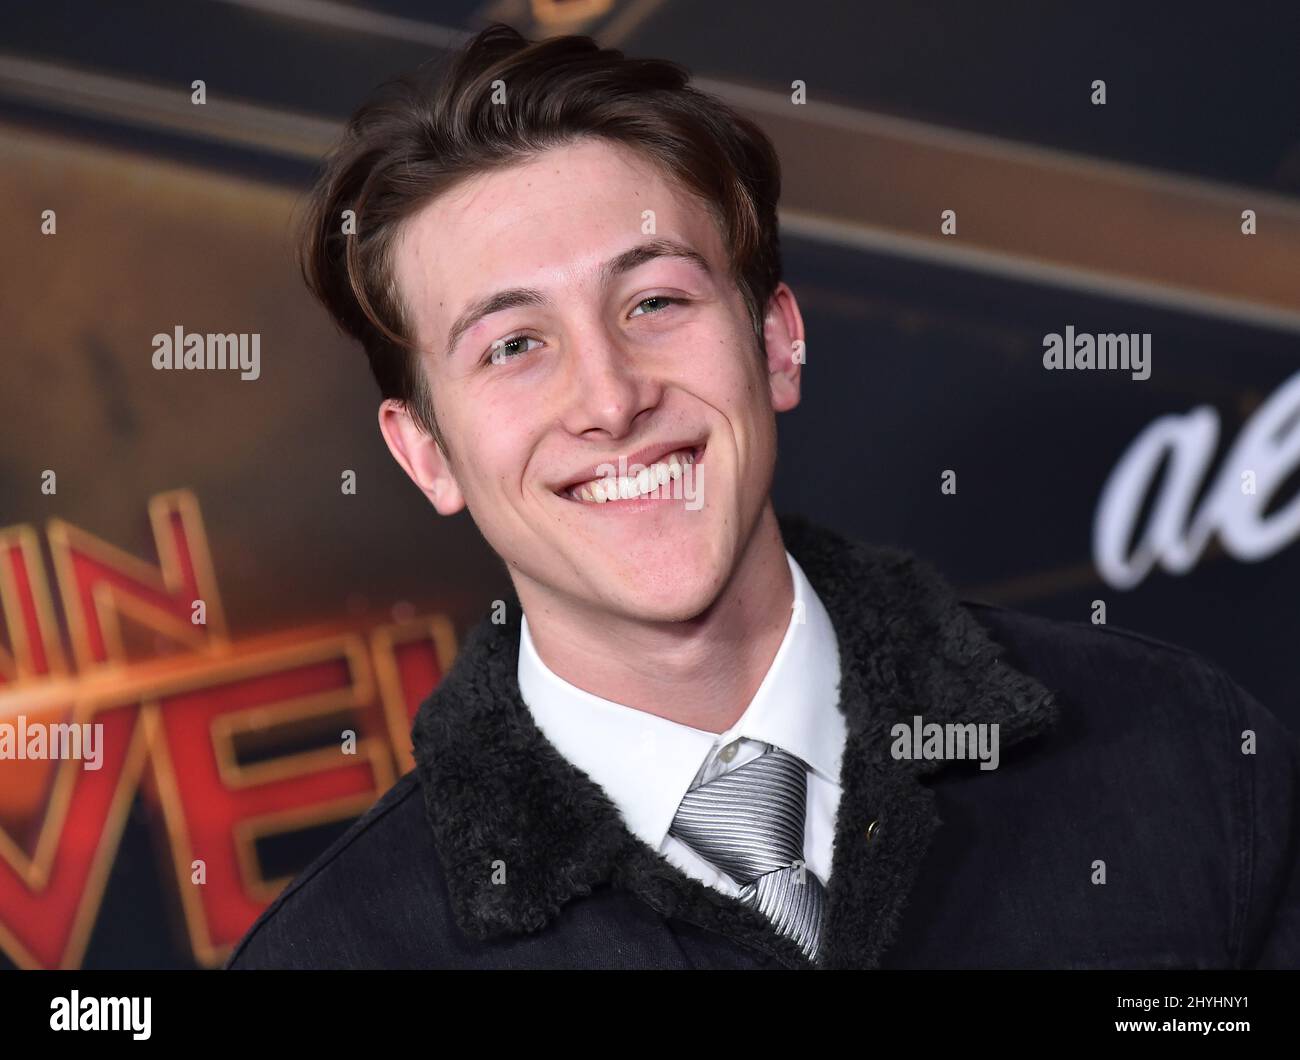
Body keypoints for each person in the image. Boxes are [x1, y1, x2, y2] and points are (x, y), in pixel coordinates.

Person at [225, 22, 1299, 970]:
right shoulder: (340, 954)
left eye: (653, 299)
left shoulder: (1175, 752)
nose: (609, 396)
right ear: (426, 456)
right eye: (513, 345)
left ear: (777, 341)